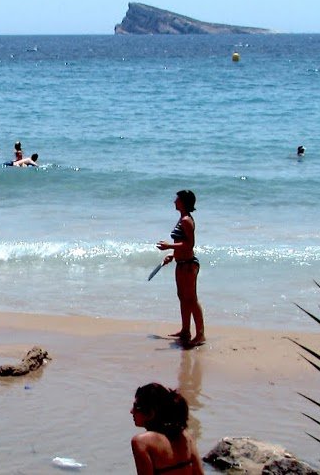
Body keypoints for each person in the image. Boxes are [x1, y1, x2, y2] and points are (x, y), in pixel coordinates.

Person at [155, 190, 205, 348]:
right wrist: (173, 254)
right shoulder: (181, 219)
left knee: (191, 299)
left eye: (177, 199)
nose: (174, 201)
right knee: (183, 298)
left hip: (189, 265)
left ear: (183, 202)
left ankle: (201, 334)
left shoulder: (186, 220)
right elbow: (181, 242)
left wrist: (169, 246)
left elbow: (189, 244)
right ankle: (185, 330)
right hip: (181, 263)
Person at [130, 383, 204, 475]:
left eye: (136, 407)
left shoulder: (141, 442)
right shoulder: (185, 436)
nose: (131, 411)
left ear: (151, 413)